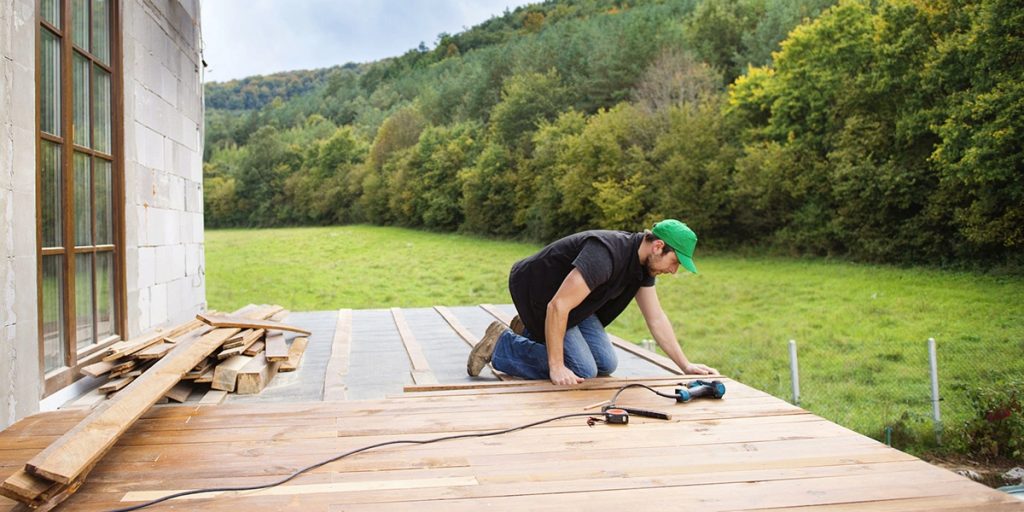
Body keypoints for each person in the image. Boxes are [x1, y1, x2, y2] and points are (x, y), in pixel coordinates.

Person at [467, 219, 718, 385]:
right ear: (658, 247)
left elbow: (656, 318)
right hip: (541, 293)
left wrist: (685, 365)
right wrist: (555, 367)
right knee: (583, 369)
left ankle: (532, 331)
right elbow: (557, 306)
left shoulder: (642, 268)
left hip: (575, 304)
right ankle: (502, 344)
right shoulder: (606, 254)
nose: (674, 271)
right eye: (675, 262)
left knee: (606, 364)